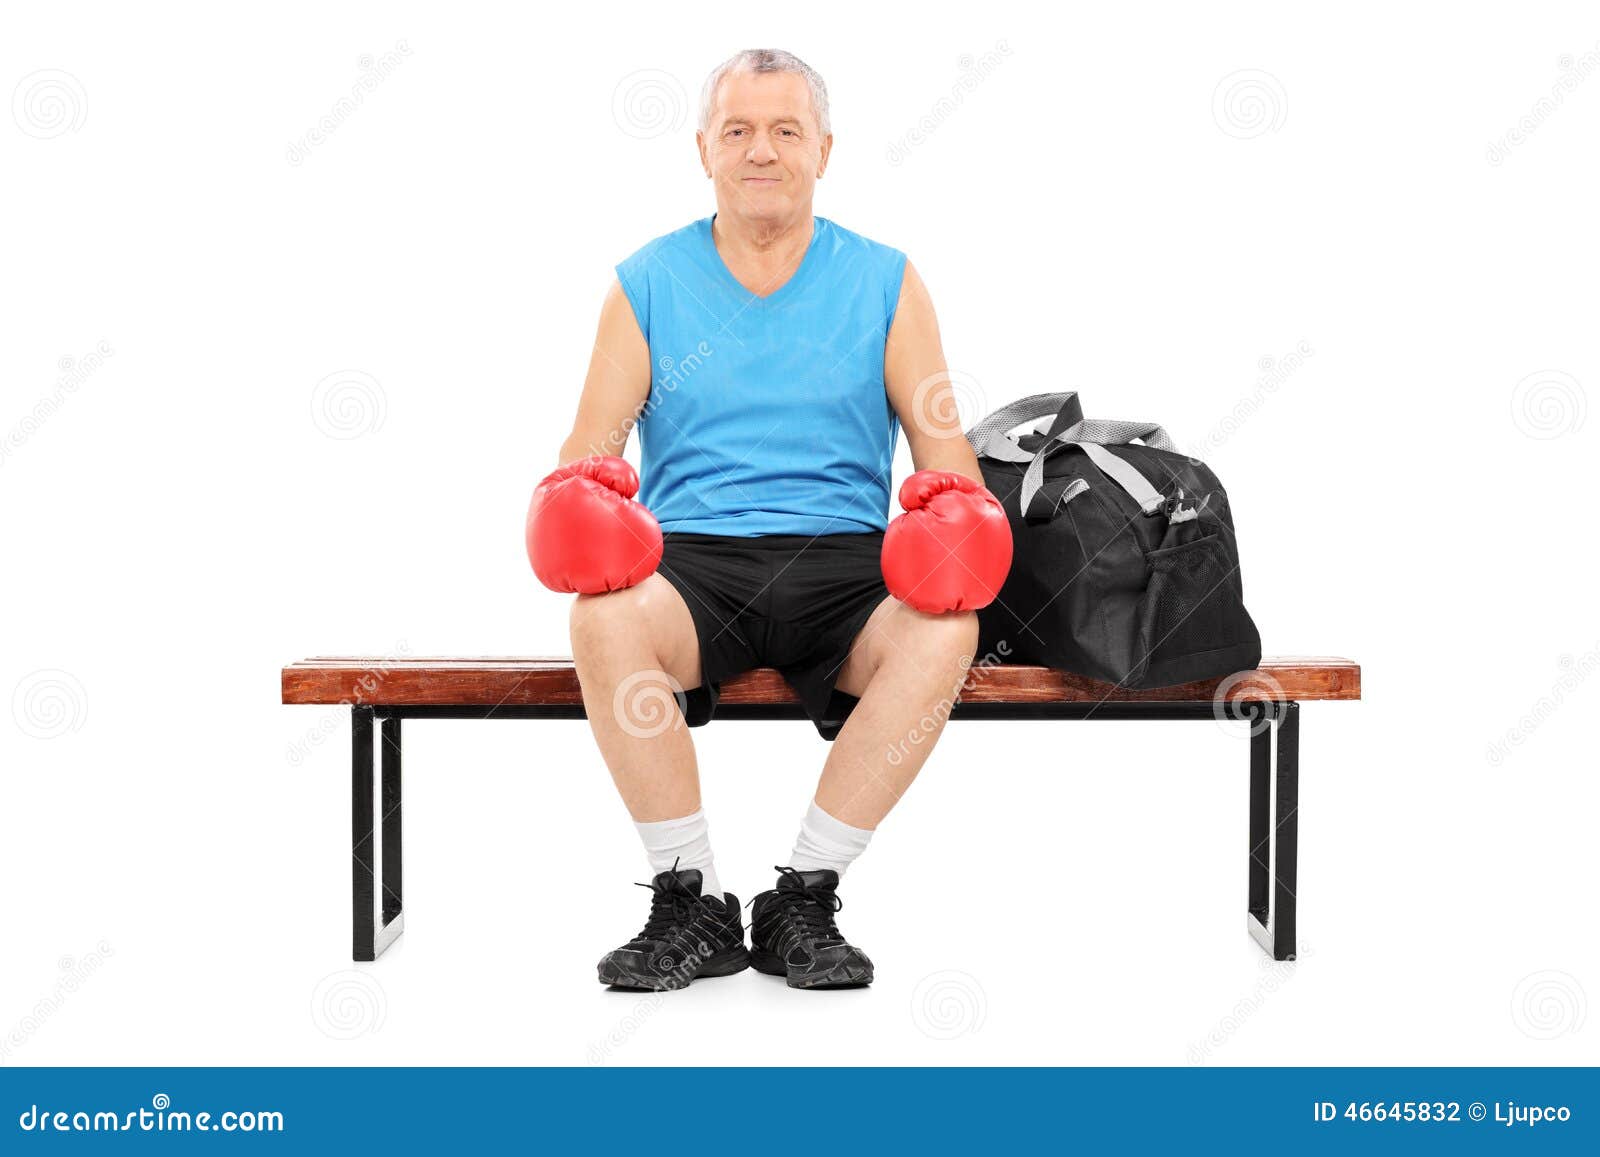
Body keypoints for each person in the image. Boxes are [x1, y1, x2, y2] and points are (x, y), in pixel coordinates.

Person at [525, 48, 1011, 991]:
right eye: (739, 130)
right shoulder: (647, 281)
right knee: (600, 616)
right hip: (693, 564)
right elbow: (587, 456)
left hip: (848, 565)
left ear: (824, 150)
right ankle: (691, 900)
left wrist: (955, 520)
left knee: (949, 628)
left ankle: (805, 893)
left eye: (786, 130)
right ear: (702, 147)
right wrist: (582, 509)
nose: (762, 150)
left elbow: (948, 465)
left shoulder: (887, 280)